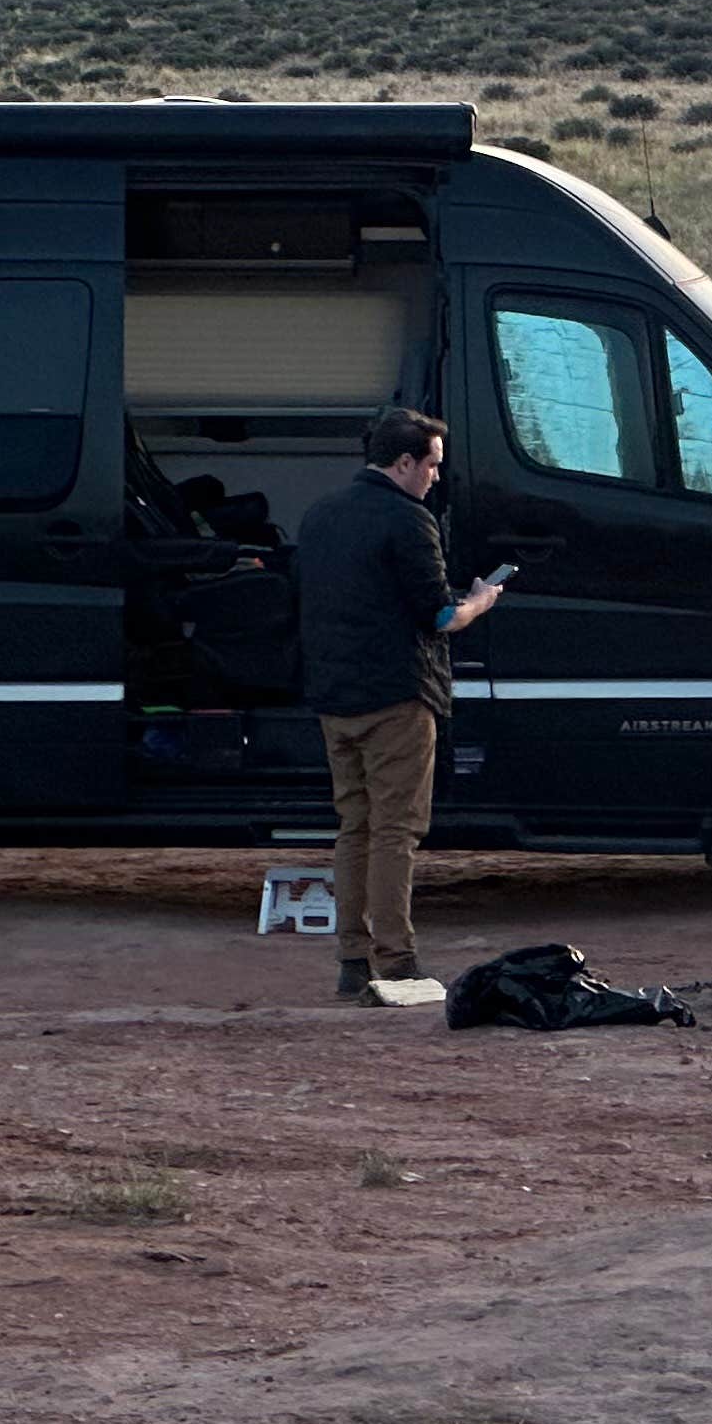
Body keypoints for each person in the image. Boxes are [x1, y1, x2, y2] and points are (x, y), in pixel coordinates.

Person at [293, 406, 503, 1004]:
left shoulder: (320, 515)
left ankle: (352, 959)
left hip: (336, 698)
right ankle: (398, 960)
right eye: (432, 464)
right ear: (404, 461)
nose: (436, 476)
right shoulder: (409, 521)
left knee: (353, 826)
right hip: (397, 697)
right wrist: (481, 602)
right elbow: (438, 615)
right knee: (396, 832)